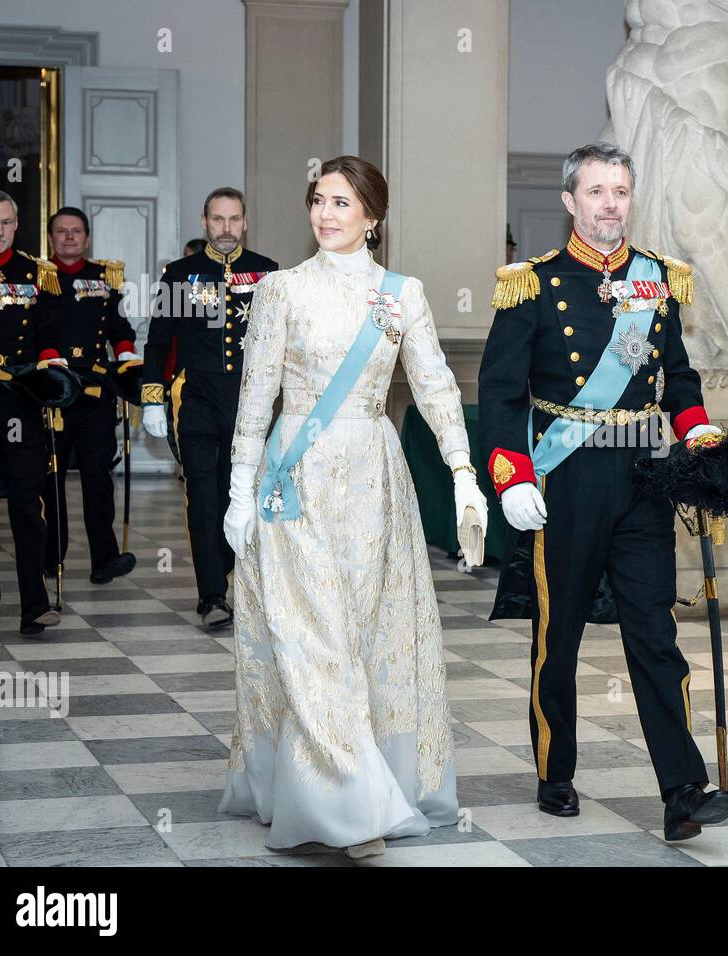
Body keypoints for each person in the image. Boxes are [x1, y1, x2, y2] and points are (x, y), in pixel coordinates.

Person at [217, 155, 487, 859]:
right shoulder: (281, 290)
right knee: (314, 637)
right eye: (318, 201)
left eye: (342, 202)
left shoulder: (402, 294)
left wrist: (464, 474)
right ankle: (342, 806)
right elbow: (256, 396)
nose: (326, 214)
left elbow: (432, 387)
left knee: (366, 635)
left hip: (374, 476)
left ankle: (365, 782)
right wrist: (240, 489)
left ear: (373, 215)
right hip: (294, 477)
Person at [479, 142, 728, 842]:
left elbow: (676, 378)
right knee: (556, 636)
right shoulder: (531, 283)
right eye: (596, 191)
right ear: (570, 201)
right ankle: (555, 771)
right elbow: (500, 393)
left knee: (655, 631)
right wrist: (512, 474)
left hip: (644, 474)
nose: (610, 204)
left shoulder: (658, 279)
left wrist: (699, 434)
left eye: (620, 191)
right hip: (566, 478)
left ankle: (682, 789)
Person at [139, 189, 278, 627]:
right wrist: (152, 398)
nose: (226, 228)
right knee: (201, 495)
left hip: (248, 401)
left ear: (245, 222)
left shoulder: (267, 273)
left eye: (234, 219)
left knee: (233, 492)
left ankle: (230, 571)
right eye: (217, 219)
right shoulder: (181, 275)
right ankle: (212, 596)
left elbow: (281, 342)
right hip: (197, 399)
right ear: (204, 222)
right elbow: (159, 341)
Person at [0, 189, 64, 635]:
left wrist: (52, 361)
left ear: (17, 223)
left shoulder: (36, 272)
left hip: (20, 403)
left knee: (27, 503)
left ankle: (34, 605)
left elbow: (46, 332)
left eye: (6, 223)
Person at [38, 206, 139, 584]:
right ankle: (52, 556)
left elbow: (117, 324)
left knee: (99, 478)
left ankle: (104, 559)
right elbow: (34, 329)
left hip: (95, 395)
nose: (68, 237)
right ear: (52, 238)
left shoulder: (103, 276)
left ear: (86, 237)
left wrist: (127, 355)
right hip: (54, 394)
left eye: (75, 231)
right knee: (52, 478)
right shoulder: (38, 276)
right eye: (61, 231)